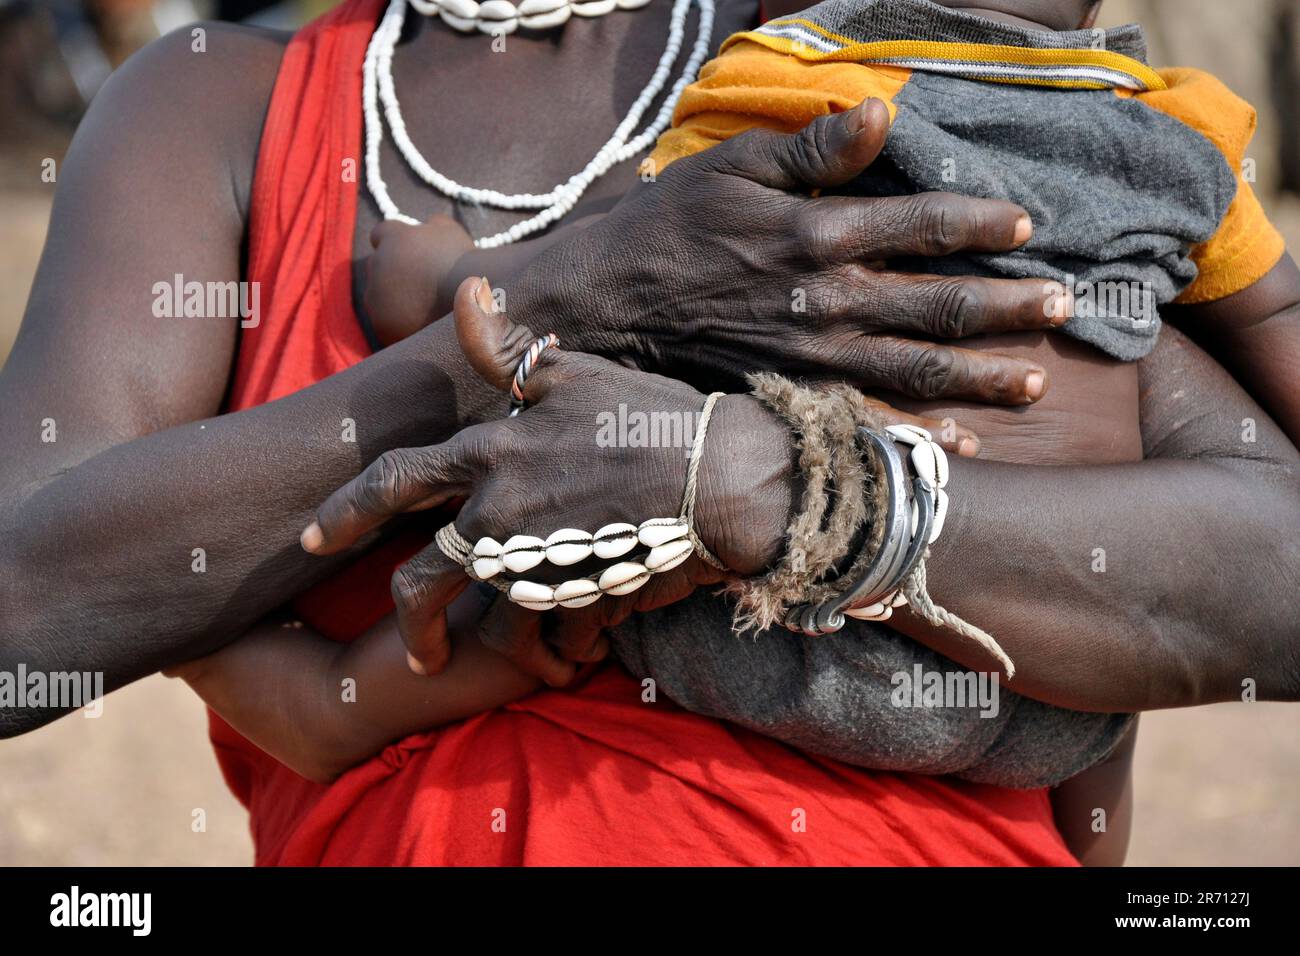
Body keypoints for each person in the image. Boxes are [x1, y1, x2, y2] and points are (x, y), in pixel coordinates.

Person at [2, 0, 1296, 867]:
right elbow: (21, 612)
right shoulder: (210, 112)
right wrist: (551, 307)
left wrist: (769, 487)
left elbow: (1267, 559)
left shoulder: (843, 56)